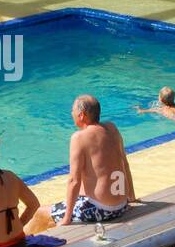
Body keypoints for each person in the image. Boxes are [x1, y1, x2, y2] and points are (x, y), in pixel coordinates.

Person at [33, 95, 135, 229]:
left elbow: (74, 180)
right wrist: (131, 198)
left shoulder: (79, 137)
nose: (71, 113)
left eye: (73, 111)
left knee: (40, 213)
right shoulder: (112, 128)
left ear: (82, 115)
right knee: (53, 217)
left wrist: (67, 217)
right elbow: (124, 163)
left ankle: (20, 245)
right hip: (122, 205)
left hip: (103, 210)